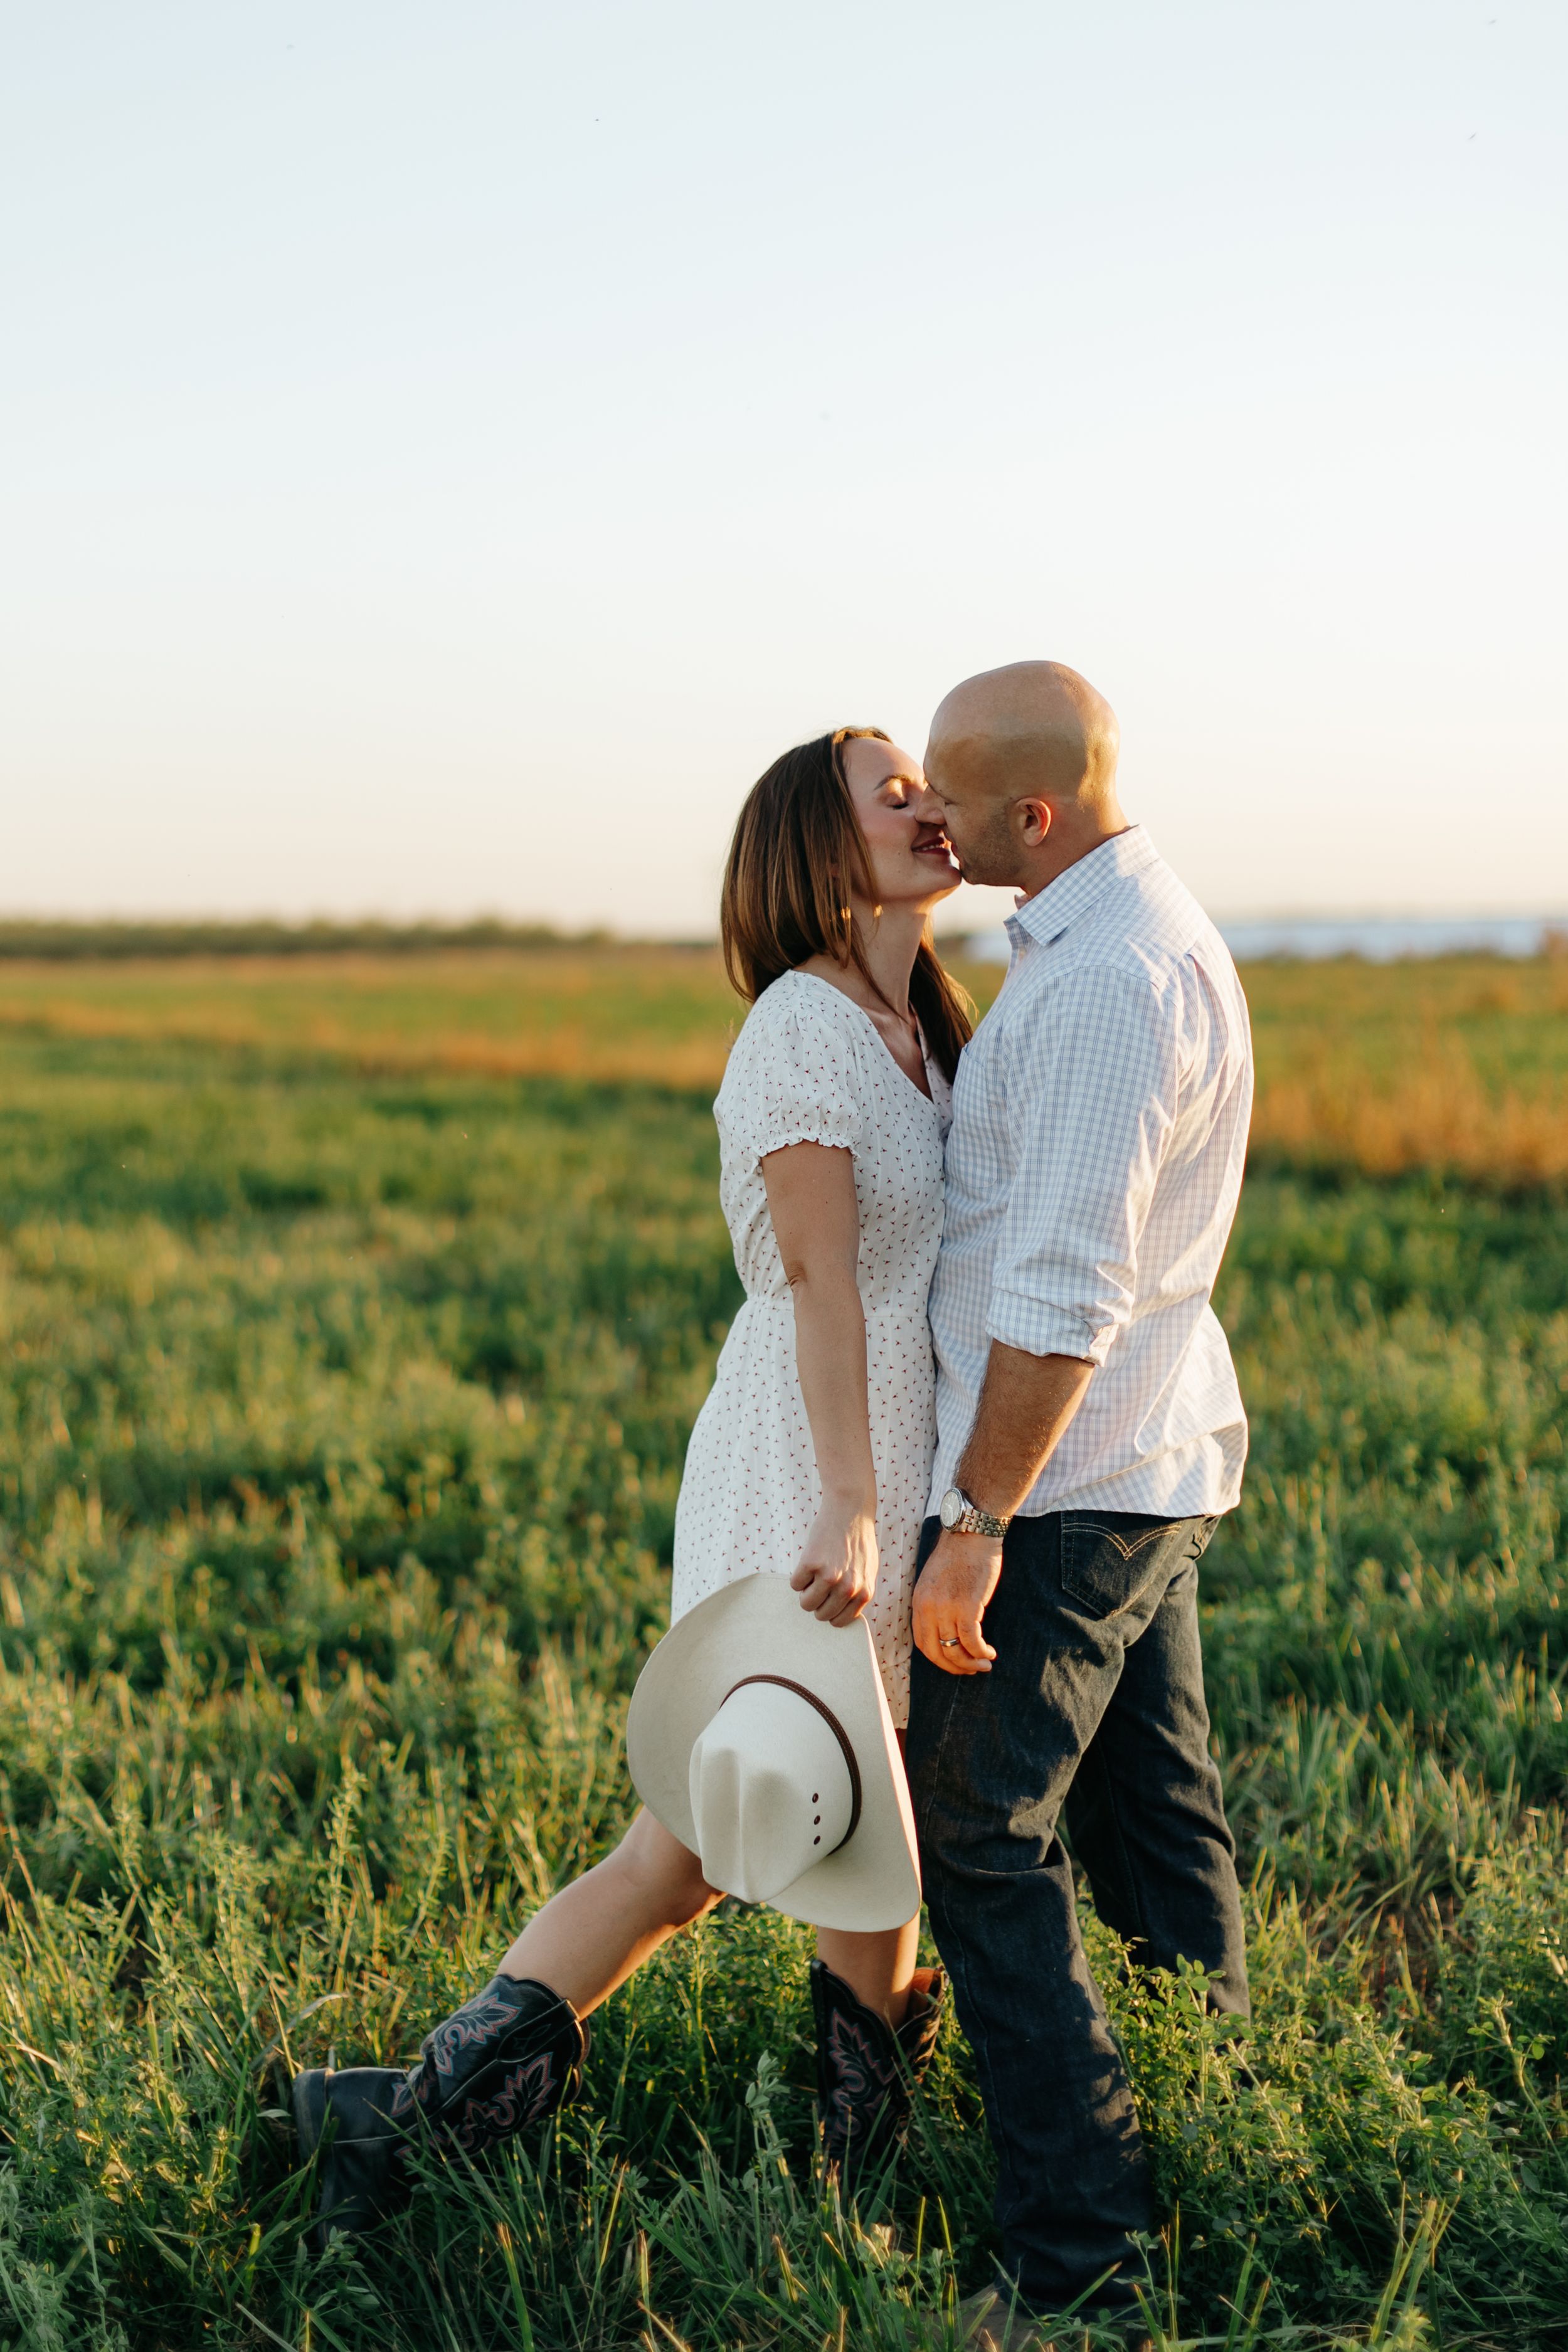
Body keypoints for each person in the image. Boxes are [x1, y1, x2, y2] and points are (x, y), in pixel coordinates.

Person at [293, 725, 970, 2238]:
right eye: (896, 793)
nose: (931, 807)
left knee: (847, 1813)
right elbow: (816, 1280)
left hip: (886, 1456)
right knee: (707, 1838)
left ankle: (412, 2123)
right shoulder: (800, 1030)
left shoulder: (917, 1021)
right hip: (809, 1460)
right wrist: (851, 1500)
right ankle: (412, 2129)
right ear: (818, 842)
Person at [906, 662, 1253, 2348]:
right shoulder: (1106, 933)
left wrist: (973, 1516)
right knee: (1151, 1819)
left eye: (951, 798)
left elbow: (1062, 1292)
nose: (929, 817)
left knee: (980, 1839)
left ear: (1028, 813)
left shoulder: (1108, 977)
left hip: (1059, 1489)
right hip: (1134, 1460)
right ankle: (1240, 2130)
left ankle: (1081, 2261)